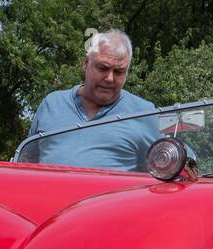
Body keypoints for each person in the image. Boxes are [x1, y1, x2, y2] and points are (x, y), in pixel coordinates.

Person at [25, 30, 159, 171]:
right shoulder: (52, 104)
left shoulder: (144, 113)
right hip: (50, 192)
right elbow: (27, 162)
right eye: (103, 68)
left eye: (119, 72)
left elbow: (171, 169)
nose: (109, 78)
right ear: (86, 63)